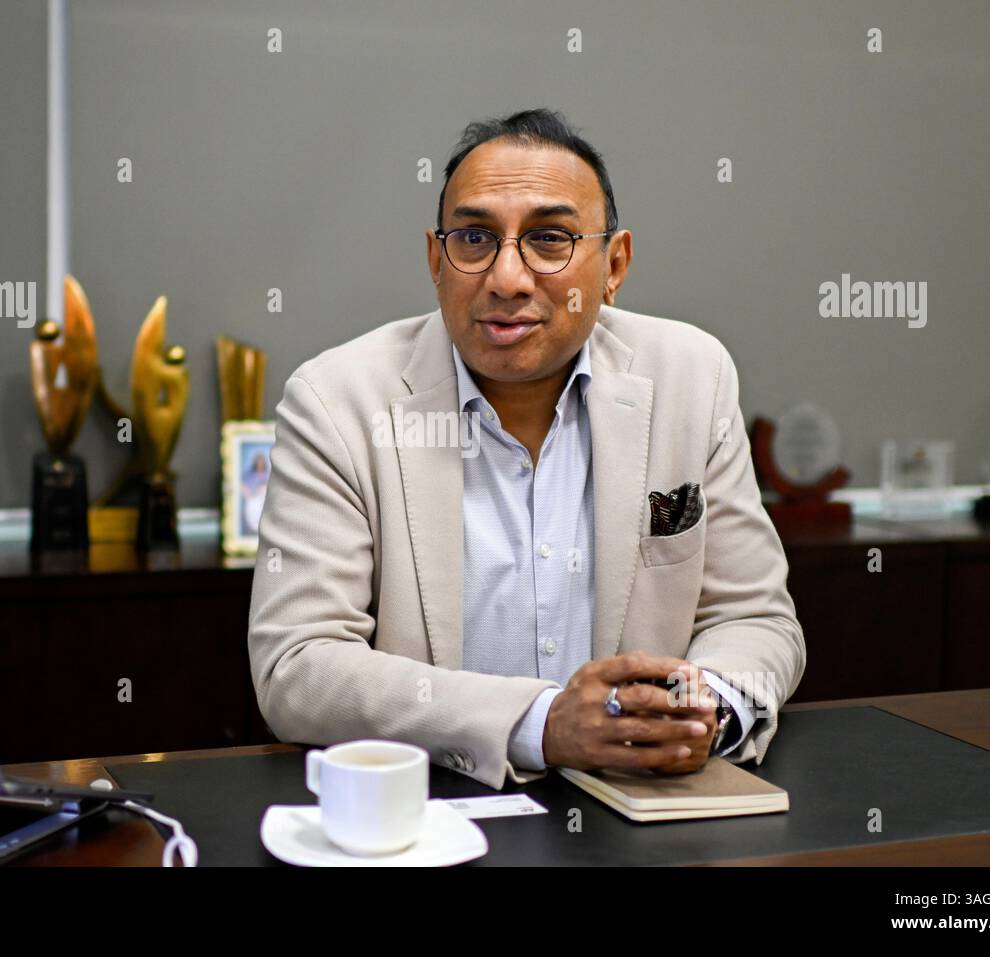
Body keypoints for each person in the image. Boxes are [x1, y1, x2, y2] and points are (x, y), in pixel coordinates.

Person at [247, 109, 806, 789]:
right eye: (475, 238)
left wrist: (701, 709)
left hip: (641, 802)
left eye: (549, 239)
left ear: (615, 265)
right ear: (436, 261)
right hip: (437, 809)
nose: (507, 278)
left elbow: (753, 616)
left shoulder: (692, 375)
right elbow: (298, 666)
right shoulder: (337, 401)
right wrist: (541, 725)